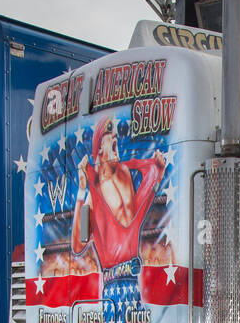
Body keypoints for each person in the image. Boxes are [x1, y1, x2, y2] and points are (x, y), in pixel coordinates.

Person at [70, 116, 183, 303]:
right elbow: (77, 245)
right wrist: (82, 191)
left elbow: (137, 215)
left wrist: (156, 178)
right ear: (99, 148)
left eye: (115, 133)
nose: (115, 136)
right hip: (112, 284)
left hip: (132, 281)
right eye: (109, 134)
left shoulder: (124, 174)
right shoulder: (93, 193)